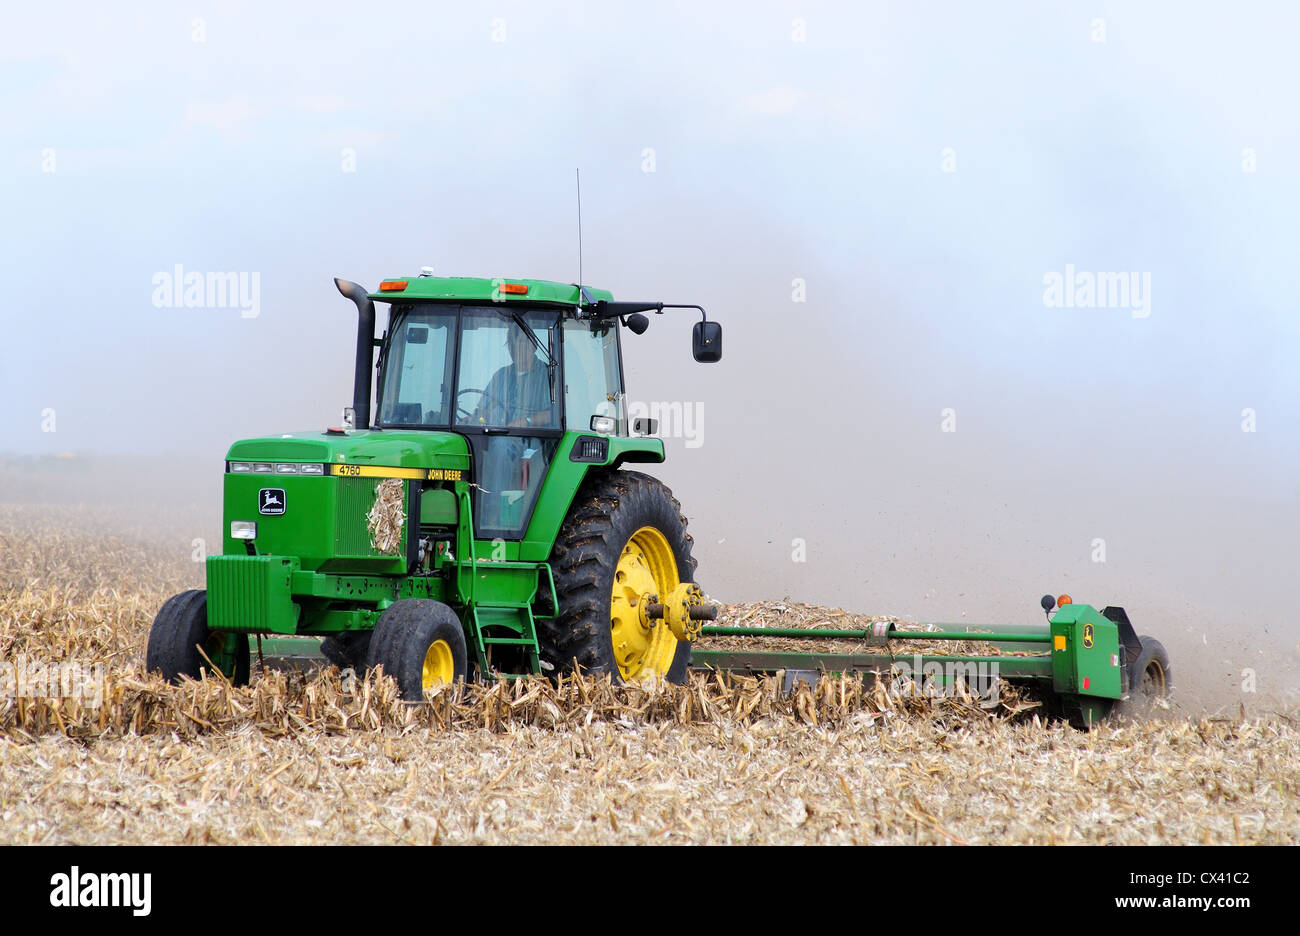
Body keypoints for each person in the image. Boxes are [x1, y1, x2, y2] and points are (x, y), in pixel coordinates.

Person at [476, 324, 555, 428]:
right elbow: (483, 410)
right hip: (497, 432)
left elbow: (553, 414)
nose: (515, 348)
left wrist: (526, 421)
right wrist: (474, 418)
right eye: (511, 343)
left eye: (521, 342)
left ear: (533, 346)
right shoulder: (500, 375)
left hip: (531, 436)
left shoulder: (547, 374)